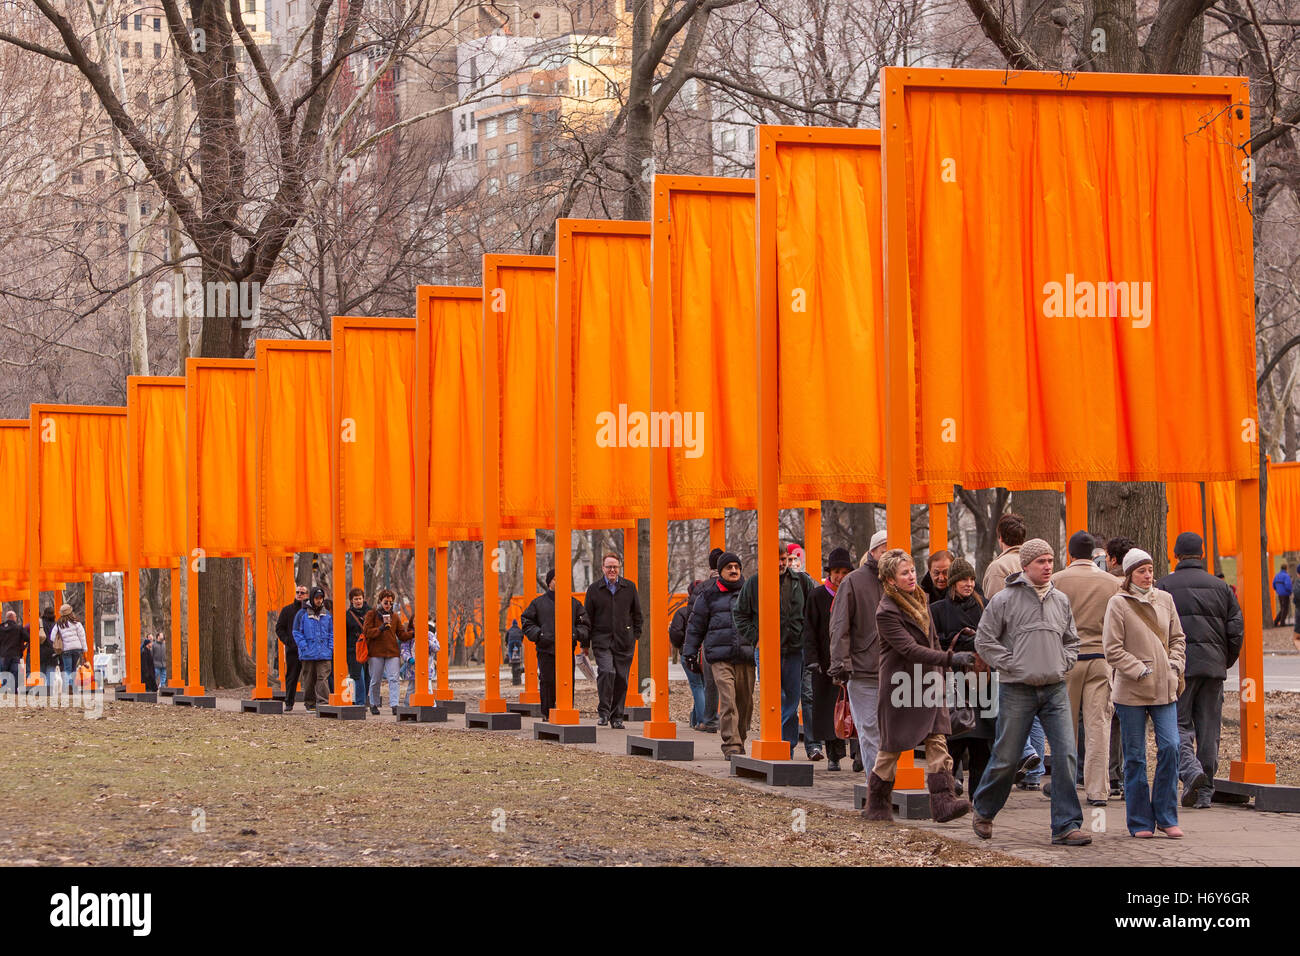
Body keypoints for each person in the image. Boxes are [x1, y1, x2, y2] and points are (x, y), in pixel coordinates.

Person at [971, 538, 1091, 846]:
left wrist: (1063, 662)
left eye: (1050, 560)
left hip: (1054, 689)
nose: (1048, 566)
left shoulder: (1060, 600)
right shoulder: (1004, 600)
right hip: (1016, 689)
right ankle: (983, 810)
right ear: (1025, 566)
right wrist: (1011, 663)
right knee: (1007, 756)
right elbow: (984, 641)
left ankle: (1066, 825)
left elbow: (1072, 640)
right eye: (1041, 561)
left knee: (1065, 754)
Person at [864, 548, 975, 822]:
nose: (912, 576)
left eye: (912, 570)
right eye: (904, 573)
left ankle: (943, 803)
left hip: (929, 682)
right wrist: (951, 659)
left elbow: (933, 639)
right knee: (891, 749)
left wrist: (942, 672)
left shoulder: (921, 598)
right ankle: (876, 806)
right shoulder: (886, 612)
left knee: (937, 738)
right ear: (890, 580)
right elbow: (910, 649)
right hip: (900, 686)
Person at [1105, 548, 1187, 838]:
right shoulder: (1118, 603)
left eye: (1151, 569)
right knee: (1136, 757)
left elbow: (1178, 637)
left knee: (1171, 747)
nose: (1148, 575)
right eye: (1142, 570)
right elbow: (1112, 648)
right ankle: (1140, 820)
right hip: (1131, 690)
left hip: (1165, 687)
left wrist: (1175, 665)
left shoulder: (1165, 600)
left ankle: (1166, 815)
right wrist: (1137, 669)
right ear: (1129, 575)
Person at [1158, 531, 1243, 809]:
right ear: (1202, 553)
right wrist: (1224, 661)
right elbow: (1235, 630)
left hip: (1178, 667)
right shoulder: (1221, 588)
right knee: (1209, 729)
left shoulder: (1164, 586)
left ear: (1176, 554)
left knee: (1178, 724)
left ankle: (1191, 773)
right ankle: (1204, 790)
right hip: (1212, 667)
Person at [1051, 530, 1121, 807]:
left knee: (1064, 727)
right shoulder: (1111, 583)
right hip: (1100, 659)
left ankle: (1064, 785)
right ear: (1094, 553)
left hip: (1067, 660)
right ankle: (1097, 790)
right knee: (1098, 726)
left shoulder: (1056, 581)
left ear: (1070, 553)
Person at [981, 513, 1045, 790]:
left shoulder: (998, 567)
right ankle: (1034, 771)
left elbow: (996, 608)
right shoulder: (1037, 564)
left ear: (1000, 537)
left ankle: (1026, 753)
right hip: (1037, 642)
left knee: (1008, 704)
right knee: (1036, 709)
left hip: (1010, 645)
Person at [931, 558, 995, 796]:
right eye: (962, 580)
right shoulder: (938, 610)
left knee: (982, 747)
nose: (968, 584)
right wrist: (962, 641)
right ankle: (946, 796)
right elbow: (935, 643)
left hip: (985, 683)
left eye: (971, 579)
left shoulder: (985, 606)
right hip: (954, 683)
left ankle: (978, 800)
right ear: (953, 583)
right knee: (954, 742)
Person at [734, 545, 806, 757]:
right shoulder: (754, 583)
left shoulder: (800, 582)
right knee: (775, 697)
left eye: (784, 559)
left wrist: (805, 637)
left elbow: (811, 610)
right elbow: (739, 614)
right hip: (766, 650)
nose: (781, 563)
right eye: (777, 559)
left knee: (792, 698)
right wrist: (756, 637)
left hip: (794, 649)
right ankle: (776, 739)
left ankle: (788, 746)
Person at [829, 529, 888, 777]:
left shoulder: (903, 580)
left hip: (896, 669)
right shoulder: (854, 581)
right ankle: (877, 786)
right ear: (873, 552)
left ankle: (883, 782)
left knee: (889, 731)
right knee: (869, 730)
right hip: (863, 668)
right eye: (885, 551)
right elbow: (839, 624)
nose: (889, 557)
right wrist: (842, 664)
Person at [682, 552, 752, 757]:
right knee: (728, 700)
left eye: (736, 567)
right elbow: (696, 625)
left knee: (745, 703)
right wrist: (690, 652)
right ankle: (731, 744)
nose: (733, 570)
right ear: (720, 571)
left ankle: (740, 739)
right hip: (720, 657)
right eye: (729, 567)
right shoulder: (708, 594)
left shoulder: (750, 592)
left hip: (746, 656)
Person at [803, 547, 854, 769]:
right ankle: (834, 754)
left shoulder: (854, 593)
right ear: (830, 573)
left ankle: (858, 754)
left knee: (853, 708)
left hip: (851, 660)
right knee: (829, 709)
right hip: (824, 662)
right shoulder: (817, 596)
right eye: (836, 572)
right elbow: (809, 630)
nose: (840, 577)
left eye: (844, 572)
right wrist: (812, 658)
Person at [582, 552, 643, 728]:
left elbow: (637, 614)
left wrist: (635, 635)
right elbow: (587, 618)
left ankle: (617, 717)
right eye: (609, 567)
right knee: (607, 672)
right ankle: (603, 711)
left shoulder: (629, 587)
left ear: (619, 568)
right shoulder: (594, 589)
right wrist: (585, 645)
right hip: (602, 641)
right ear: (603, 568)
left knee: (621, 679)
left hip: (625, 641)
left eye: (615, 567)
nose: (612, 570)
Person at [521, 568, 590, 718]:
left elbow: (584, 624)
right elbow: (526, 621)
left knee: (567, 682)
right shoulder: (538, 603)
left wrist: (575, 634)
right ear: (549, 583)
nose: (559, 582)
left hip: (566, 650)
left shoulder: (574, 604)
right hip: (546, 649)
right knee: (547, 681)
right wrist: (539, 635)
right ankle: (547, 712)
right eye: (555, 579)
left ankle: (567, 710)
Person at [786, 543, 821, 759]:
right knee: (789, 698)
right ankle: (787, 745)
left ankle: (814, 745)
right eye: (788, 559)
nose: (792, 563)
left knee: (808, 697)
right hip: (787, 650)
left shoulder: (809, 584)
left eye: (795, 559)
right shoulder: (779, 583)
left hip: (806, 649)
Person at [671, 572, 716, 731]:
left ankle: (702, 720)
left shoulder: (682, 612)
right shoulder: (711, 608)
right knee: (705, 686)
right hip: (706, 652)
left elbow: (675, 634)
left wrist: (682, 647)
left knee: (697, 687)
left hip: (688, 653)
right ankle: (698, 719)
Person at [363, 588, 410, 715]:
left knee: (394, 679)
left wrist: (413, 633)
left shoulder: (394, 616)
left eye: (390, 602)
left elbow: (401, 634)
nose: (388, 605)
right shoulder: (372, 614)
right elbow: (367, 632)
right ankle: (373, 703)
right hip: (376, 652)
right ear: (380, 602)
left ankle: (394, 704)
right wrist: (380, 628)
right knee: (375, 679)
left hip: (392, 652)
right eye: (386, 602)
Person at [291, 587, 333, 711]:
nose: (319, 601)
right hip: (308, 652)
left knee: (323, 677)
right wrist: (304, 646)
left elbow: (332, 633)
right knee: (309, 679)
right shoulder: (302, 614)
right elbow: (296, 632)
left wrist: (330, 648)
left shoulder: (327, 615)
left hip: (324, 652)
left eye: (321, 598)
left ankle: (324, 702)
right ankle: (310, 703)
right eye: (317, 598)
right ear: (312, 598)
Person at [276, 585, 308, 710]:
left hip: (307, 650)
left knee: (310, 677)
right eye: (297, 592)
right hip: (293, 650)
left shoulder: (309, 611)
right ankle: (289, 702)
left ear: (306, 595)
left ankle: (310, 703)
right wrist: (288, 641)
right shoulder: (287, 610)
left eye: (302, 592)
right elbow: (279, 628)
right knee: (292, 676)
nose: (299, 594)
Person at [343, 588, 370, 705]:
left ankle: (362, 699)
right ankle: (360, 702)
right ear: (351, 600)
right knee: (358, 676)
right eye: (355, 599)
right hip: (353, 650)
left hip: (369, 649)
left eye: (360, 598)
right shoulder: (347, 615)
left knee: (369, 677)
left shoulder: (370, 613)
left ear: (363, 599)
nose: (358, 601)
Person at [52, 604, 87, 685]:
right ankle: (73, 685)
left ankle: (69, 685)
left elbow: (52, 637)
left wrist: (60, 639)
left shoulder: (59, 624)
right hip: (77, 648)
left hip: (66, 649)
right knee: (74, 668)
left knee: (67, 669)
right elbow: (82, 636)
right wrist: (84, 648)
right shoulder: (76, 623)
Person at [0, 610, 28, 691]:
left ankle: (4, 689)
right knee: (15, 672)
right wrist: (24, 646)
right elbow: (27, 638)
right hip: (15, 654)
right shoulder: (18, 628)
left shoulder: (0, 627)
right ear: (13, 617)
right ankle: (14, 690)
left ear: (7, 618)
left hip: (3, 655)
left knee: (4, 673)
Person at [506, 618, 525, 686]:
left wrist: (506, 643)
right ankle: (519, 656)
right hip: (518, 641)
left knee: (510, 650)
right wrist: (521, 642)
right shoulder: (519, 629)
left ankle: (511, 658)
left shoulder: (510, 629)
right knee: (519, 650)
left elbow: (506, 637)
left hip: (511, 641)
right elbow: (522, 635)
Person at [1272, 562, 1292, 627]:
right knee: (1285, 608)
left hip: (1279, 594)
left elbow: (1273, 585)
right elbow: (1288, 585)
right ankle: (1282, 623)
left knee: (1282, 608)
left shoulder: (1277, 575)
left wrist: (1278, 590)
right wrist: (1290, 592)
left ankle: (1276, 622)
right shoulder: (1286, 576)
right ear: (1286, 568)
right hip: (1285, 594)